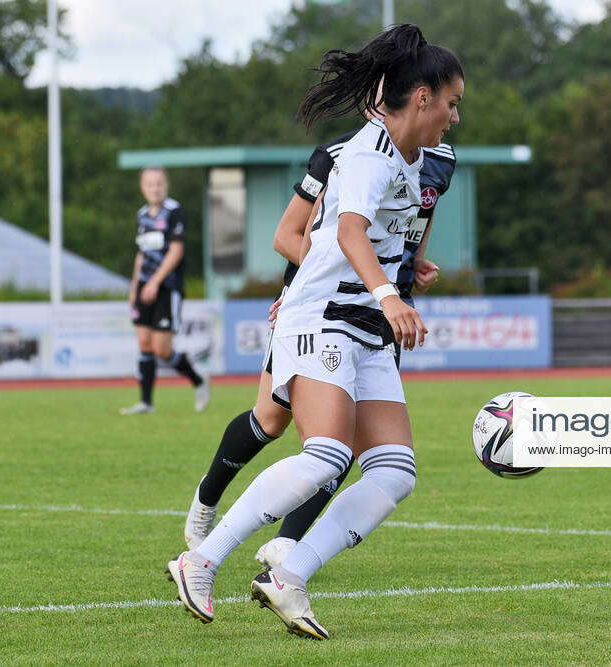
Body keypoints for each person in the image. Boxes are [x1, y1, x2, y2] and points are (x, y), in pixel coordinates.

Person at [166, 24, 463, 640]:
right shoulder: (364, 155)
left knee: (394, 471)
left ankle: (289, 572)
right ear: (423, 98)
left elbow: (372, 237)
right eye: (453, 102)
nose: (455, 118)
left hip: (369, 329)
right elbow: (348, 232)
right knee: (323, 454)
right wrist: (389, 293)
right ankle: (200, 559)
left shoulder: (412, 163)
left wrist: (406, 273)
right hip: (322, 316)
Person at [181, 111, 456, 567]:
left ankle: (287, 546)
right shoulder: (344, 154)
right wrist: (309, 288)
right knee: (270, 421)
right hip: (321, 305)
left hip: (377, 316)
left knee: (342, 442)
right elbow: (292, 236)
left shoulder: (440, 155)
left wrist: (415, 263)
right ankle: (207, 500)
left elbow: (416, 217)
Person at [121, 167, 209, 415]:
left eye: (159, 183)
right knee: (144, 343)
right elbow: (141, 253)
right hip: (144, 285)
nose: (155, 188)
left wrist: (154, 282)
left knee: (162, 349)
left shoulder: (174, 212)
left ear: (166, 185)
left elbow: (176, 251)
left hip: (167, 287)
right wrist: (134, 287)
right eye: (150, 184)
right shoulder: (142, 215)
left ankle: (198, 380)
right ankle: (146, 402)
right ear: (143, 187)